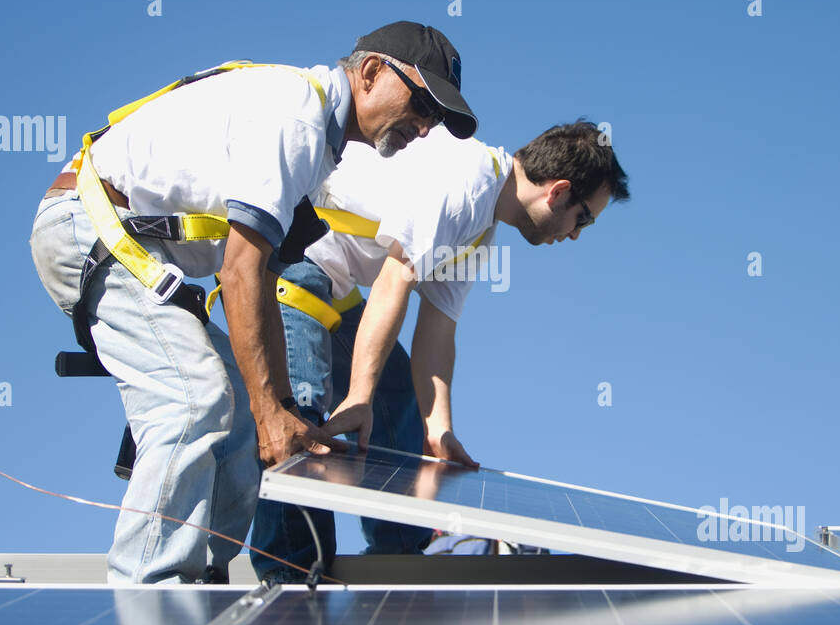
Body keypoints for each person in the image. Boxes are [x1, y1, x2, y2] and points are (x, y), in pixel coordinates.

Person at [29, 22, 476, 584]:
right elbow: (239, 272)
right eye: (421, 102)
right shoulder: (297, 117)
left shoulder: (319, 153)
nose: (425, 125)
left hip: (129, 244)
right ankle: (151, 593)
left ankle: (203, 579)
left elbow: (261, 278)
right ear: (369, 73)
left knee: (240, 401)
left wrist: (279, 407)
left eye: (437, 118)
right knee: (194, 398)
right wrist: (271, 418)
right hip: (88, 231)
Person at [250, 121, 629, 583]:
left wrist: (438, 429)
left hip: (338, 288)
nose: (575, 235)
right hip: (294, 267)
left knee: (401, 411)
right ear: (559, 191)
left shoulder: (481, 226)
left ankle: (398, 558)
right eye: (584, 218)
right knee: (303, 418)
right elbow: (395, 281)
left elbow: (437, 329)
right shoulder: (468, 183)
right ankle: (287, 582)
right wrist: (359, 393)